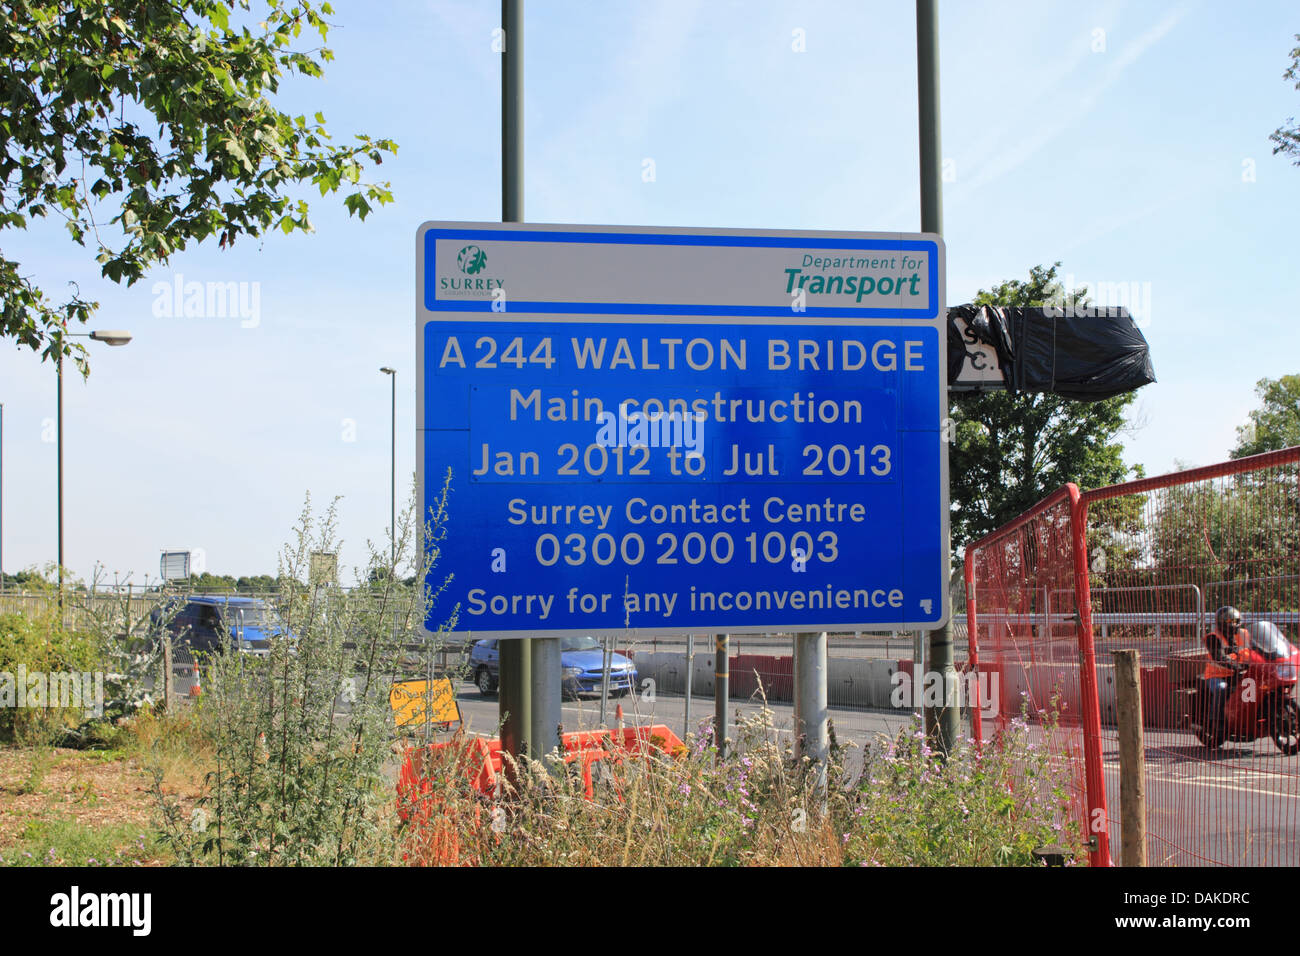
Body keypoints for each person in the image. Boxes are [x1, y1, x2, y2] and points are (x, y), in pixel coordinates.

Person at [1201, 606, 1248, 736]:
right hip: (1217, 675)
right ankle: (1217, 721)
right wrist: (1236, 666)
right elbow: (1219, 657)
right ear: (1221, 623)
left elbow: (1257, 649)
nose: (1233, 624)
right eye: (1229, 622)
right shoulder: (1213, 637)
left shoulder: (1244, 634)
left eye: (1235, 621)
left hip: (1239, 674)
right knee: (1222, 689)